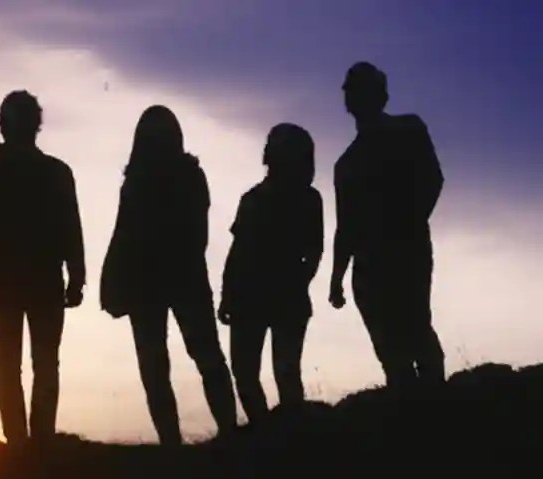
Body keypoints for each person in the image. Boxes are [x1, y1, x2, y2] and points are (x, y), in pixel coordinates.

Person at [99, 105, 237, 446]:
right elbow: (124, 232)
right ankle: (192, 440)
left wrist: (116, 276)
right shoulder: (161, 179)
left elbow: (127, 233)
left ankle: (196, 440)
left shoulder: (164, 178)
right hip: (164, 281)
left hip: (168, 279)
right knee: (175, 362)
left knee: (178, 361)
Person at [0, 90, 85, 447]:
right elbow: (70, 227)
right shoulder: (53, 172)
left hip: (18, 283)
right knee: (37, 364)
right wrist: (76, 275)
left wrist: (76, 275)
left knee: (20, 365)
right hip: (30, 282)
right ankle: (33, 440)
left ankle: (24, 440)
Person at [329, 62, 445, 389]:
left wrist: (409, 226)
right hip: (371, 265)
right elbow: (345, 226)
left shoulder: (409, 129)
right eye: (351, 89)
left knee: (417, 329)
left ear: (379, 95)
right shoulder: (347, 164)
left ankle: (438, 407)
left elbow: (433, 179)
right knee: (391, 349)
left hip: (406, 253)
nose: (353, 96)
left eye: (359, 88)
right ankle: (411, 409)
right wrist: (337, 278)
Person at [218, 123, 324, 422]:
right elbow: (237, 253)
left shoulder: (304, 199)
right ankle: (269, 432)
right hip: (254, 297)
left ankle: (282, 435)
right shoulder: (254, 199)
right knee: (252, 372)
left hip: (276, 297)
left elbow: (315, 250)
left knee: (283, 373)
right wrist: (228, 295)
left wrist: (299, 281)